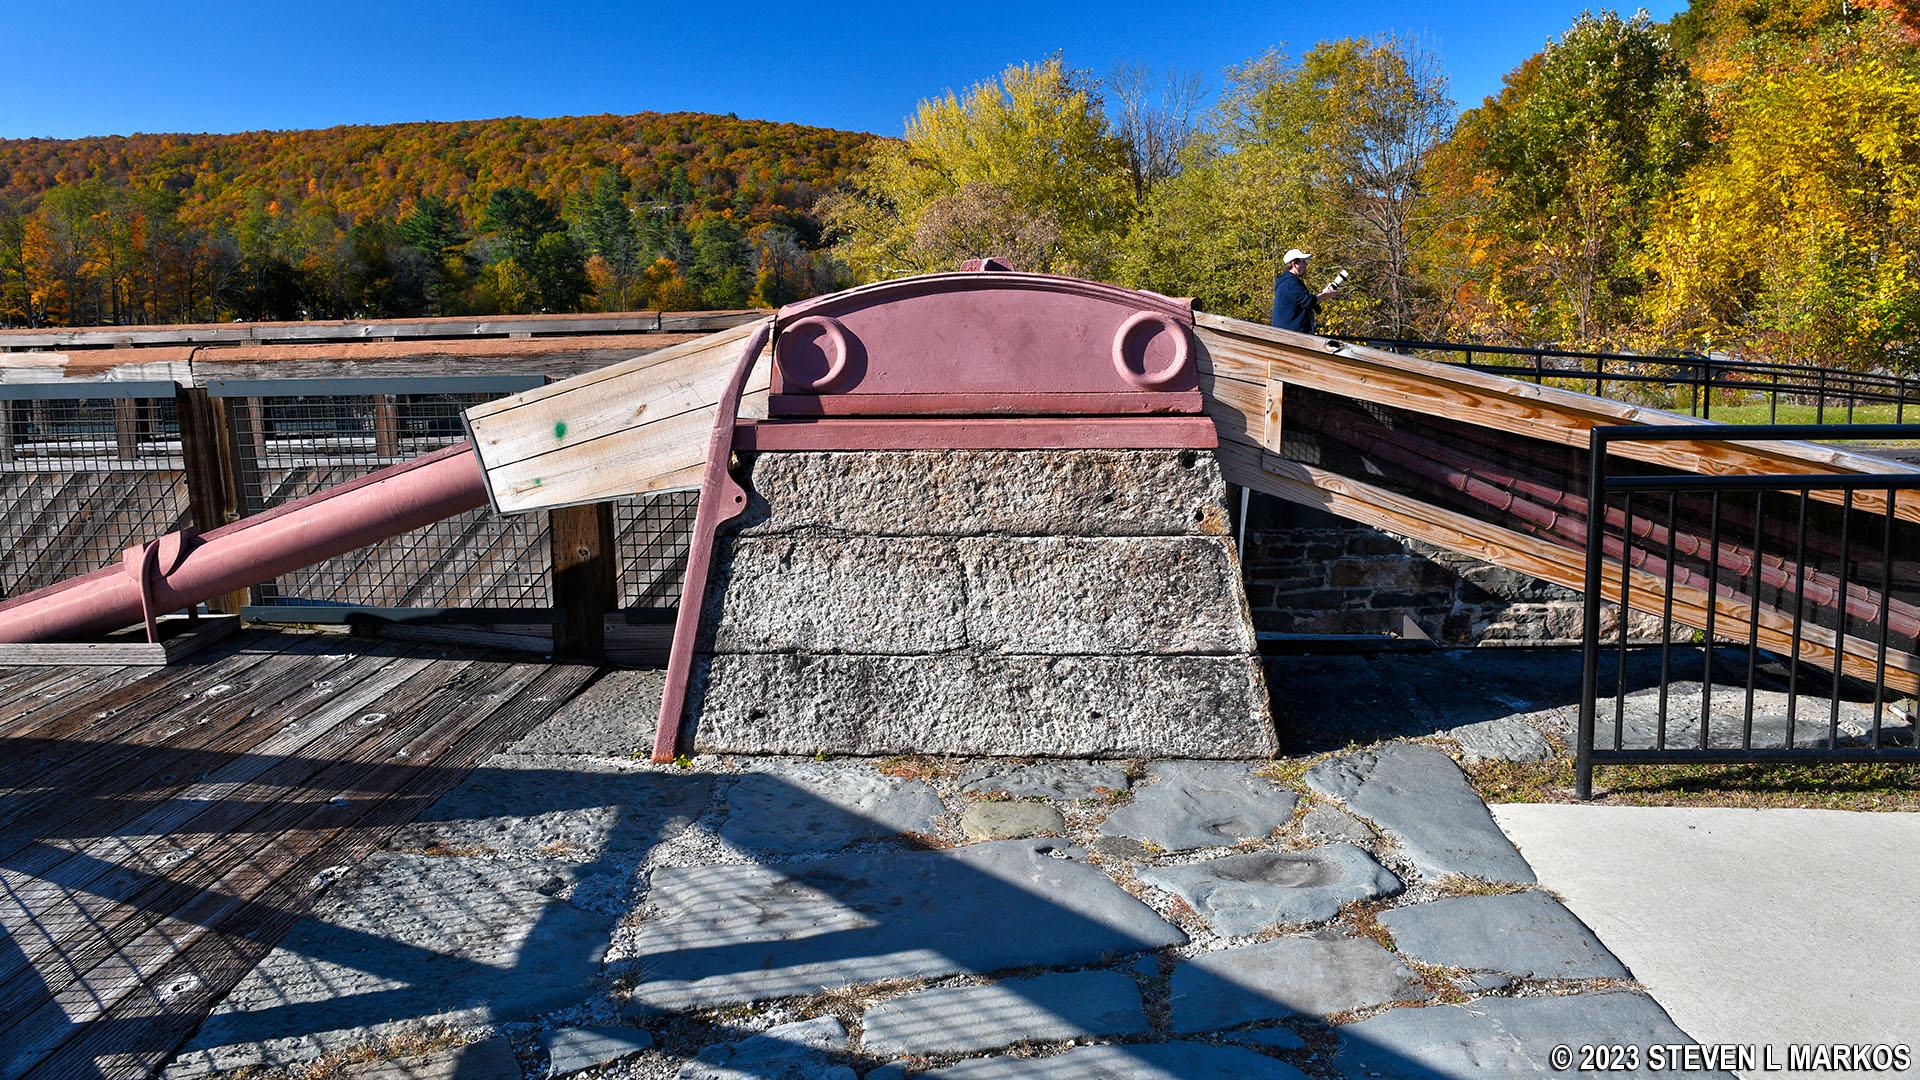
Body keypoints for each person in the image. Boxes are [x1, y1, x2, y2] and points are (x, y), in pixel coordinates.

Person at [1271, 248, 1337, 333]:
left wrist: (1323, 293)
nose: (1307, 264)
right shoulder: (1290, 283)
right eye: (1304, 261)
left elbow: (1305, 300)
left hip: (1288, 335)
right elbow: (1309, 301)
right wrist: (1326, 295)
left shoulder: (1287, 282)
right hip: (1292, 338)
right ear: (1294, 264)